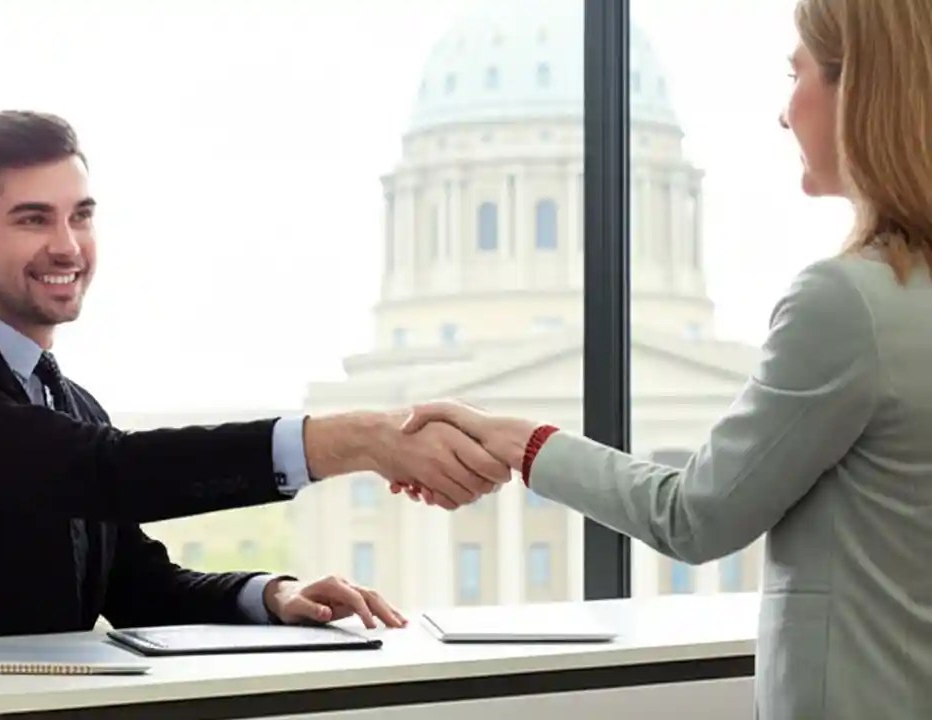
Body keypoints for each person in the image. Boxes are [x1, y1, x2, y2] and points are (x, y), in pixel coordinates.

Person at [399, 1, 932, 718]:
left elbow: (695, 519)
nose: (783, 112)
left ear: (860, 91)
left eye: (796, 72)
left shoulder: (846, 304)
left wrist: (523, 444)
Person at [0, 110, 510, 646]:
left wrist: (274, 596)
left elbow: (137, 587)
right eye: (33, 218)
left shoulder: (67, 401)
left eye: (80, 215)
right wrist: (359, 439)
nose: (68, 246)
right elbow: (117, 472)